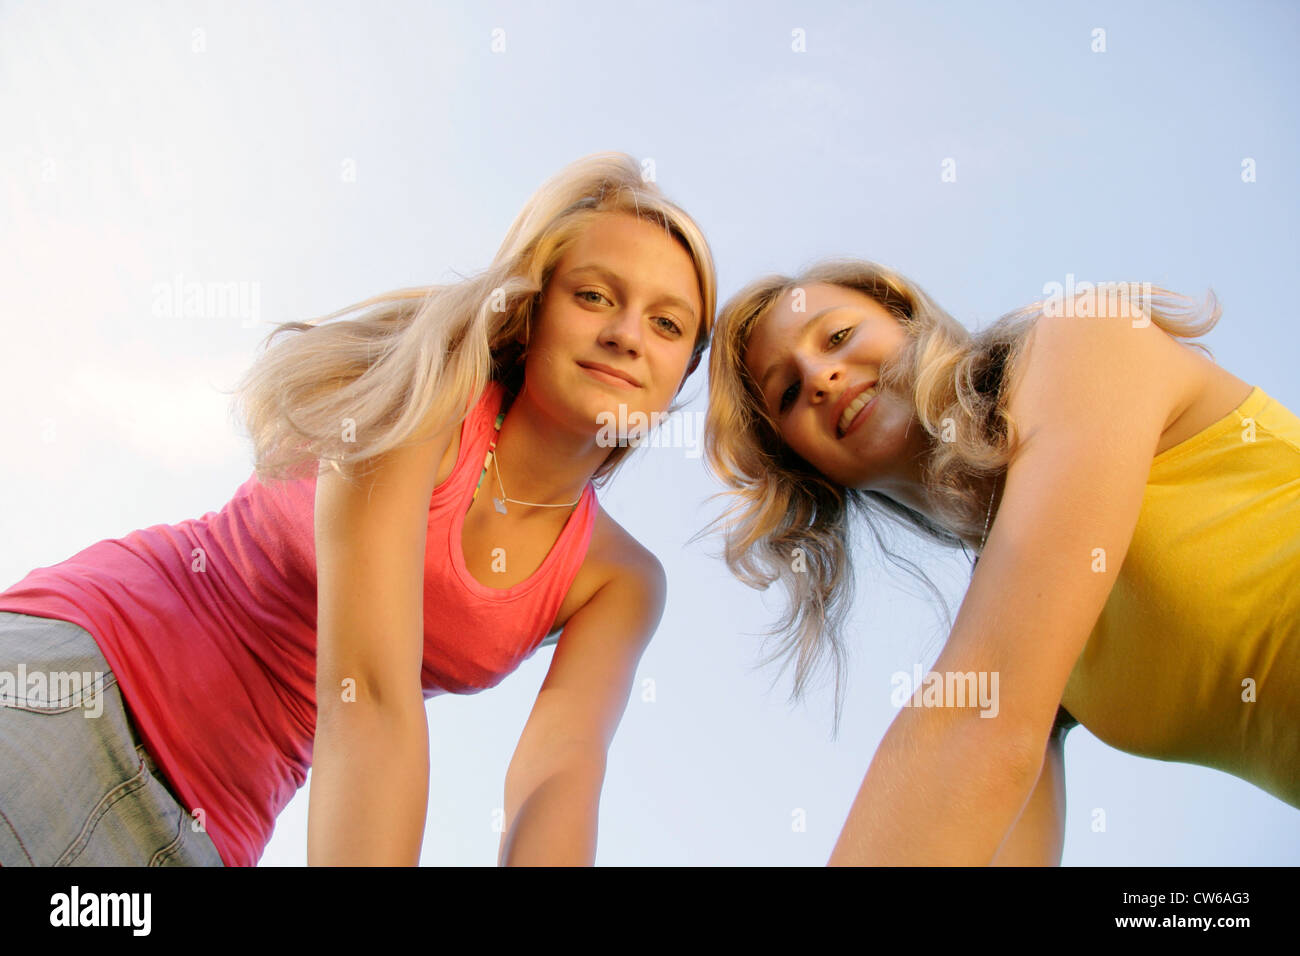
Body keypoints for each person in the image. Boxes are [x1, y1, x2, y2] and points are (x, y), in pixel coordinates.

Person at [0, 152, 716, 867]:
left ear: (684, 371)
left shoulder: (620, 581)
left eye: (667, 324)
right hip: (82, 680)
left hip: (211, 825)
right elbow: (370, 699)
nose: (627, 334)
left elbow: (560, 774)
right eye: (593, 296)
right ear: (530, 310)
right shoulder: (433, 387)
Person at [702, 259, 1299, 865]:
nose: (821, 376)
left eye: (837, 337)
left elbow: (973, 733)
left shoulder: (1083, 342)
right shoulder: (1016, 630)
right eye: (789, 394)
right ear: (808, 466)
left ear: (910, 322)